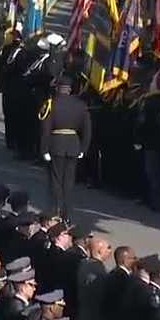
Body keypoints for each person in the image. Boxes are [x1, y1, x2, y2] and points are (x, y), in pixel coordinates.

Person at [40, 75, 92, 220]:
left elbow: (45, 129)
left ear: (58, 88)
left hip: (56, 144)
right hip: (73, 144)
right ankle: (67, 213)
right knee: (69, 181)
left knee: (56, 179)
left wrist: (44, 149)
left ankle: (55, 210)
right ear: (69, 90)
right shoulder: (80, 105)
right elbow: (87, 130)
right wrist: (83, 148)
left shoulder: (51, 103)